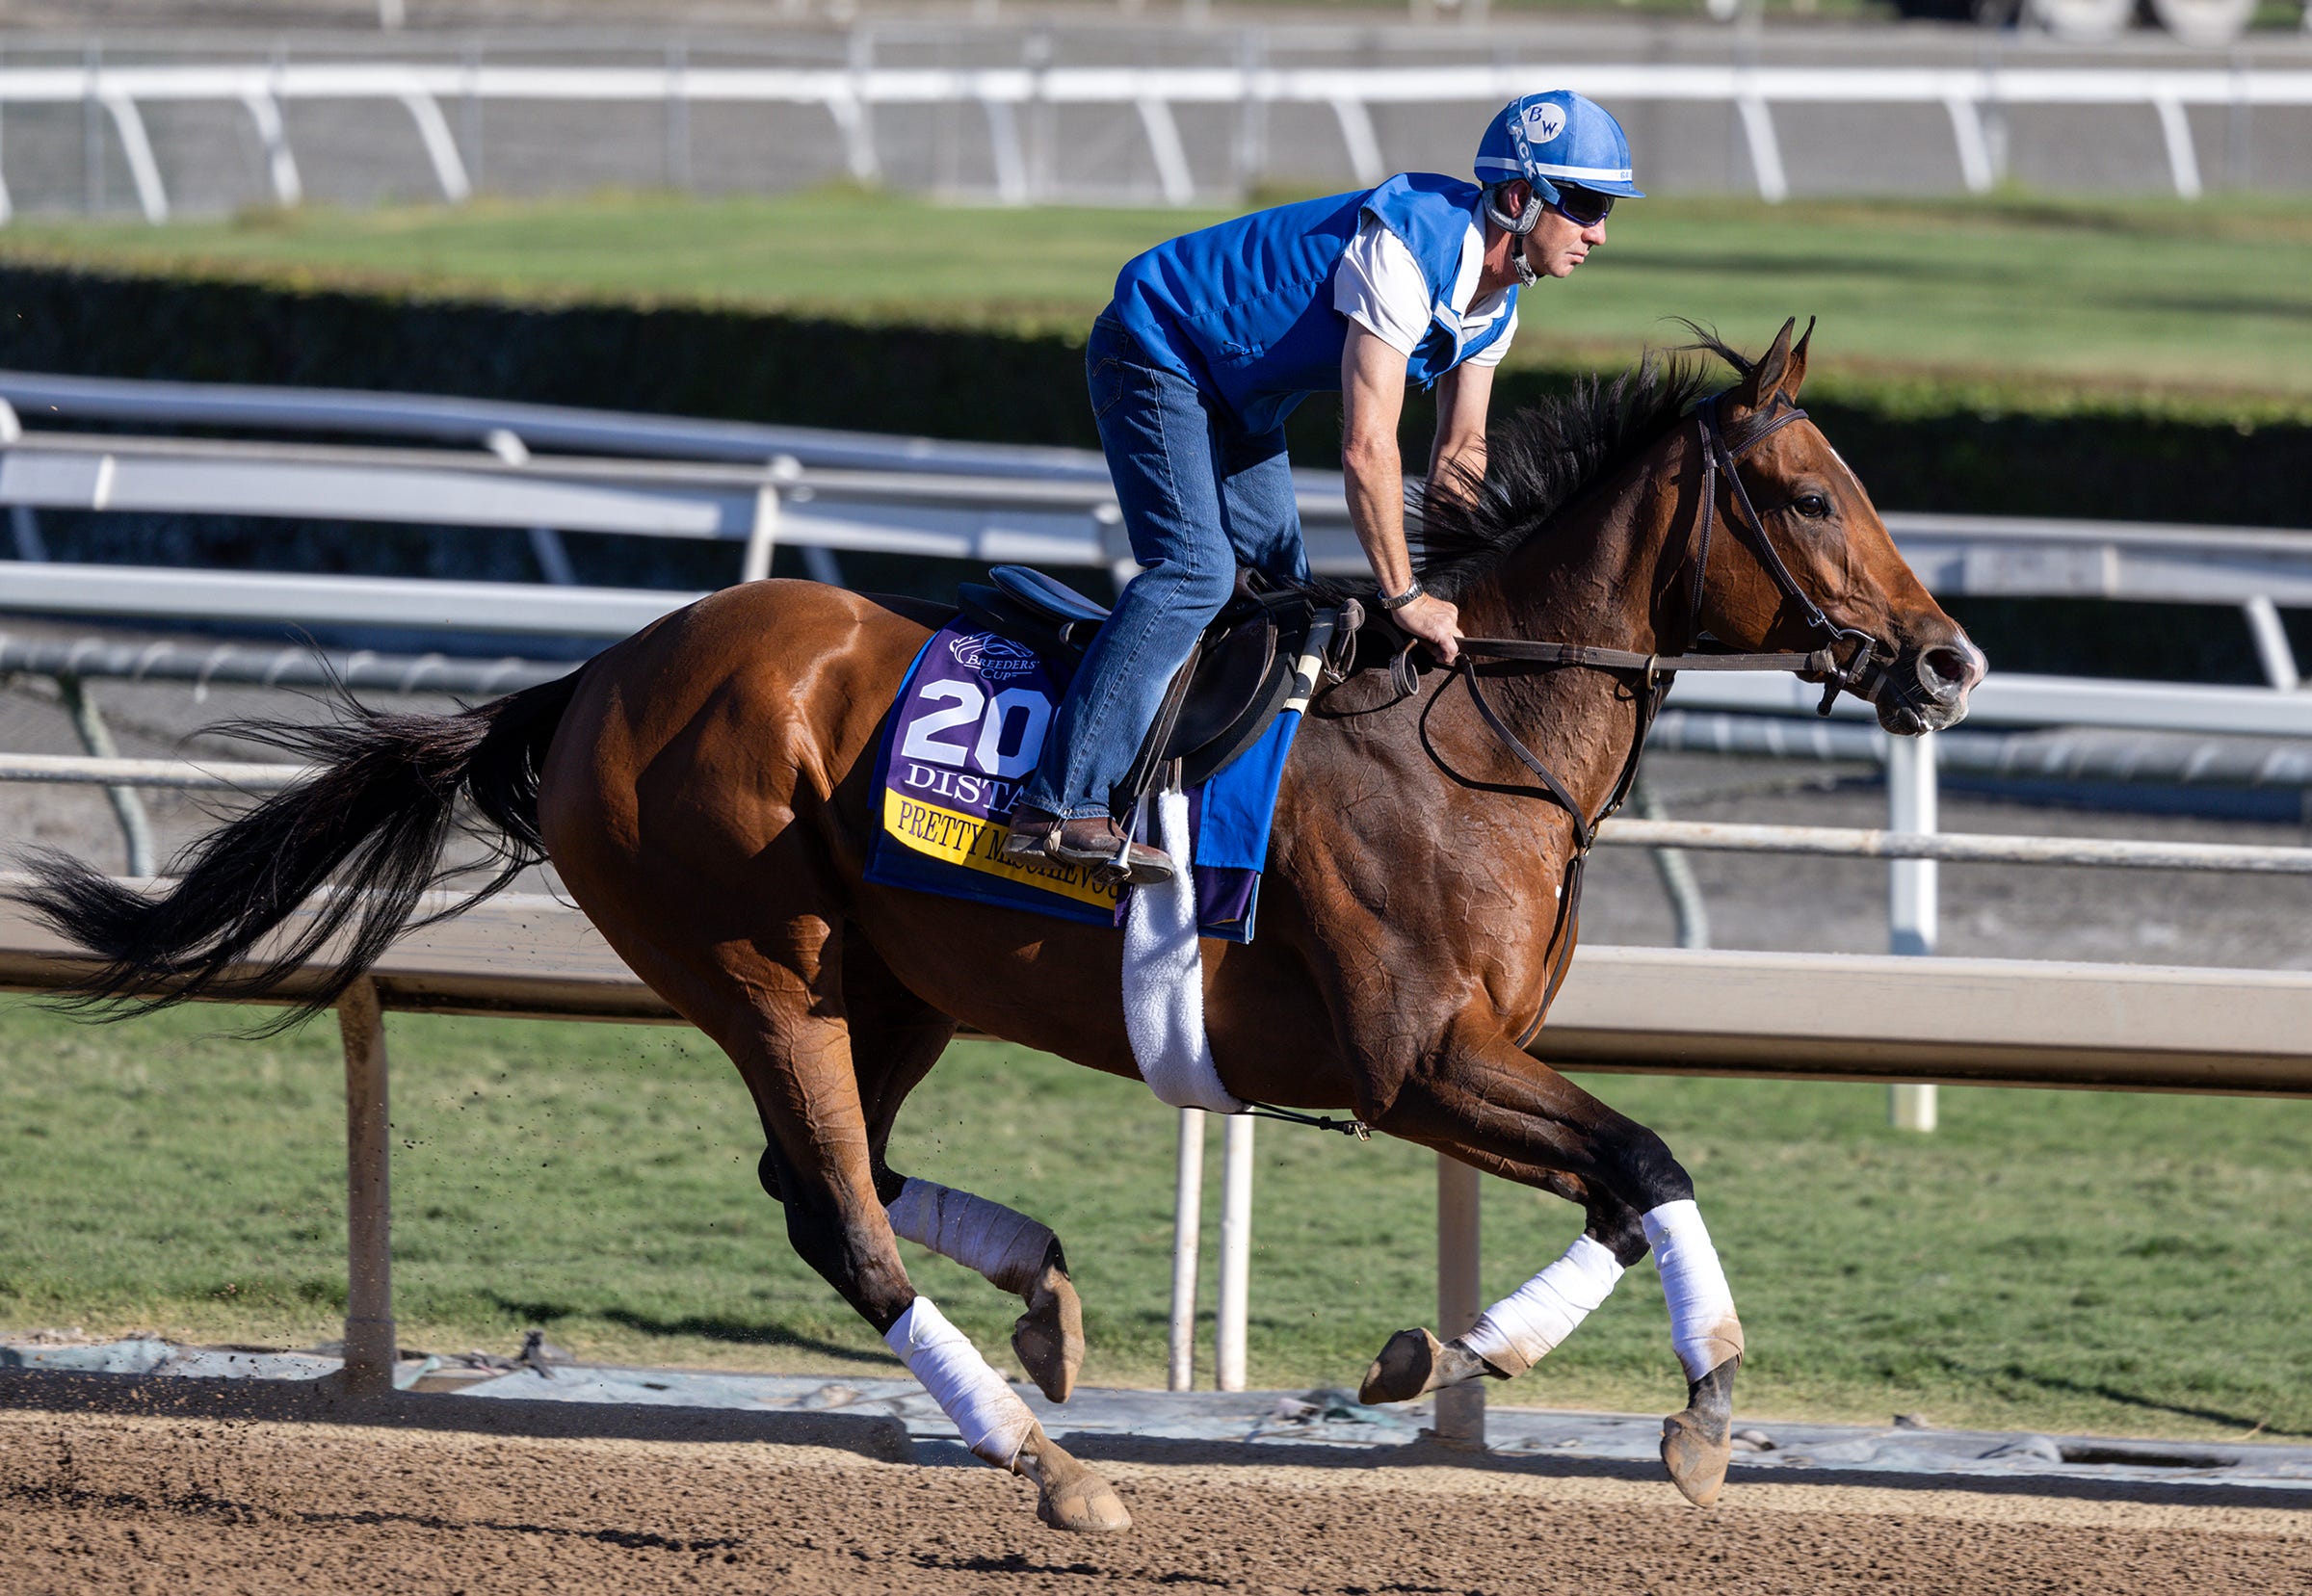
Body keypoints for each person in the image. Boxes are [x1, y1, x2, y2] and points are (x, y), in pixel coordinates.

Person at [1003, 89, 1643, 886]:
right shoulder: (1405, 252)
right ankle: (1059, 803)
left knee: (1281, 592)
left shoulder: (1498, 300)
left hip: (1237, 390)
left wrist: (1461, 589)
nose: (1600, 232)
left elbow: (1459, 452)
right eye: (1584, 205)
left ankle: (1187, 794)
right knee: (1196, 573)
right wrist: (1405, 596)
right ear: (1519, 197)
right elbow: (1367, 444)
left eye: (1607, 208)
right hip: (1154, 349)